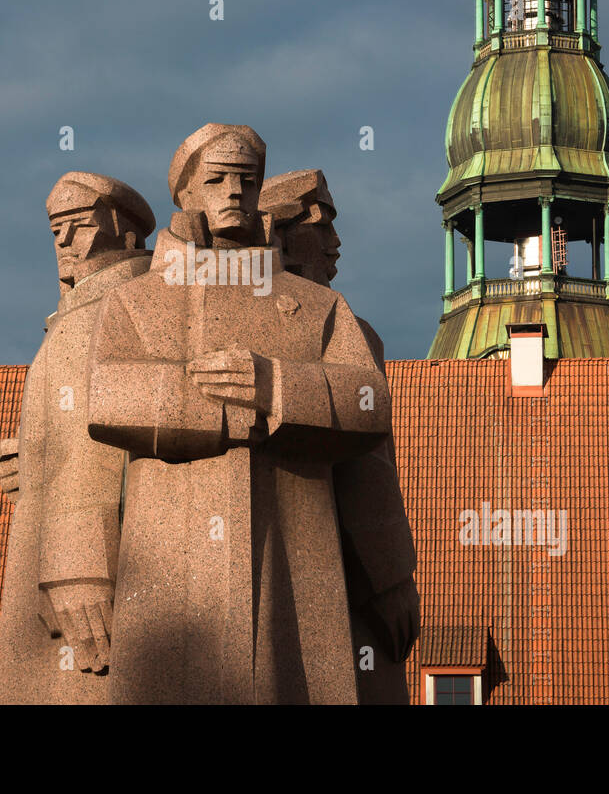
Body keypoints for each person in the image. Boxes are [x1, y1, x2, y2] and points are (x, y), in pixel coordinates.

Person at [85, 123, 391, 703]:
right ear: (186, 192)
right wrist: (219, 411)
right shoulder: (136, 299)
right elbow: (105, 396)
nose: (233, 193)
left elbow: (369, 403)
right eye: (217, 179)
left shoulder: (320, 305)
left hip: (296, 557)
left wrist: (277, 385)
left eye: (246, 182)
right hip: (170, 563)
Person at [0, 172, 154, 704]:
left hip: (83, 567)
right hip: (49, 547)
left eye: (80, 227)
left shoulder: (117, 309)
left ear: (127, 235)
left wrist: (78, 564)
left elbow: (102, 440)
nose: (63, 242)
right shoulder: (74, 314)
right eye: (56, 229)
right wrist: (29, 456)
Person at [260, 169, 419, 704]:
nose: (335, 241)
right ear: (280, 233)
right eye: (321, 225)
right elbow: (369, 469)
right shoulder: (346, 330)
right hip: (345, 587)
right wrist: (391, 578)